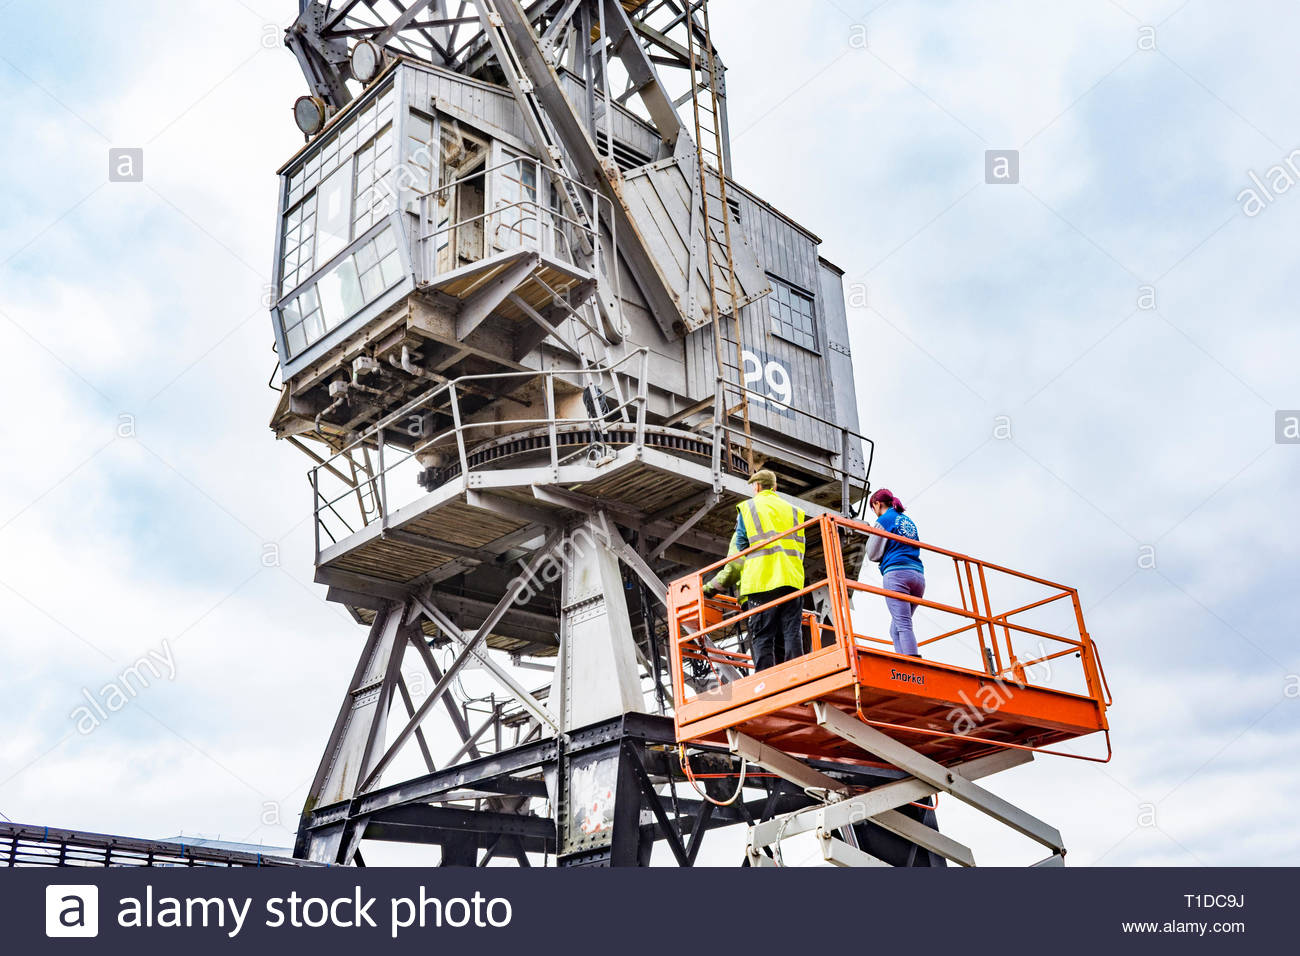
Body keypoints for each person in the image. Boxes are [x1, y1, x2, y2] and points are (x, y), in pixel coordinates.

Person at [703, 469, 806, 671]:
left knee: (763, 636)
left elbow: (737, 553)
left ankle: (766, 682)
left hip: (762, 582)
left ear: (757, 487)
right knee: (792, 631)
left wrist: (708, 589)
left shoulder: (749, 508)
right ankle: (799, 674)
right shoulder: (794, 511)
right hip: (792, 580)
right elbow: (800, 547)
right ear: (774, 487)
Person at [868, 488, 925, 657]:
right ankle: (903, 659)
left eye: (874, 509)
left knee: (903, 624)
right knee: (895, 629)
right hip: (918, 577)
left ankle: (912, 664)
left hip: (897, 574)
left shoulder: (884, 520)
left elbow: (872, 553)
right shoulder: (908, 521)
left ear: (877, 504)